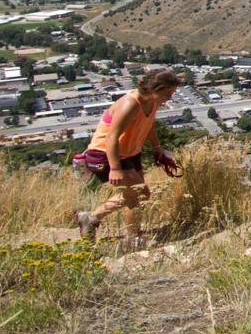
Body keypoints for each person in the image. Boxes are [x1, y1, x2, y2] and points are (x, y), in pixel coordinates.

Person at [75, 69, 181, 249]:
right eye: (167, 94)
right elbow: (111, 137)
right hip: (108, 154)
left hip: (130, 153)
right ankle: (133, 238)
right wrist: (115, 168)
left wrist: (157, 148)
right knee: (134, 196)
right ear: (154, 89)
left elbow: (149, 125)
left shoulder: (152, 102)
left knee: (142, 193)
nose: (169, 98)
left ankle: (91, 218)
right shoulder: (130, 104)